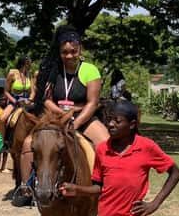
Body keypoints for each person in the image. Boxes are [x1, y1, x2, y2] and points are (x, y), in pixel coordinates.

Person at [14, 26, 109, 206]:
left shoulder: (90, 70)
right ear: (59, 52)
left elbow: (92, 103)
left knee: (105, 142)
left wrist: (76, 121)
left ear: (80, 49)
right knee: (28, 143)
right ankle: (26, 188)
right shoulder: (53, 70)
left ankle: (107, 188)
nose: (69, 55)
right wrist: (61, 113)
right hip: (55, 118)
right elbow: (47, 100)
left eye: (73, 51)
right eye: (64, 52)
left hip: (84, 116)